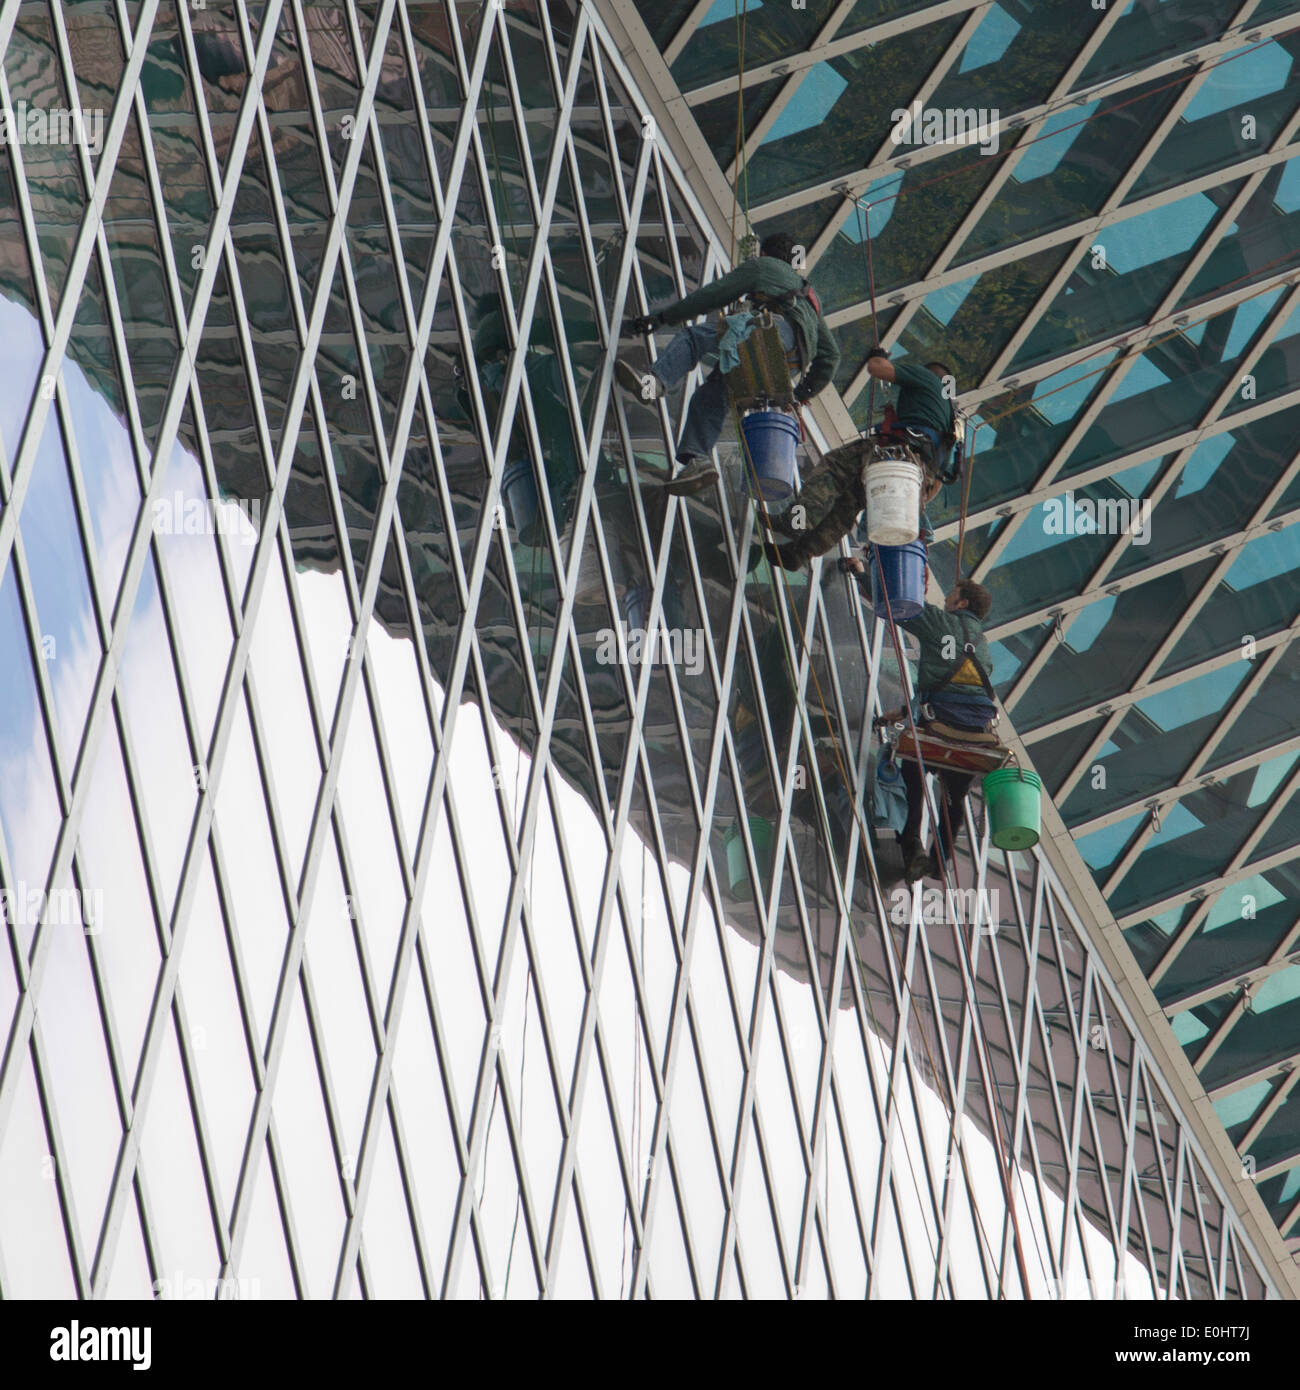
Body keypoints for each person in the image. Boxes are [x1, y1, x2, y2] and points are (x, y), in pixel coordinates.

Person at [614, 232, 840, 494]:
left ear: (765, 254)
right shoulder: (811, 299)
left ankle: (654, 383)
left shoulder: (763, 267)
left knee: (694, 337)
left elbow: (713, 295)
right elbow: (831, 356)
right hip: (786, 365)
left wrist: (664, 317)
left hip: (769, 334)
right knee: (712, 394)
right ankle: (699, 461)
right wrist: (800, 394)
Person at [848, 574, 996, 883]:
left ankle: (912, 846)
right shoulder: (982, 644)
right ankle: (941, 862)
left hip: (939, 725)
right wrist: (902, 712)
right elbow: (958, 691)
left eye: (951, 595)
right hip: (975, 733)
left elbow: (894, 604)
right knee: (954, 795)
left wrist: (861, 572)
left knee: (913, 776)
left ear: (962, 602)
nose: (945, 600)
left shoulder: (940, 622)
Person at [761, 350, 957, 570]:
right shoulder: (949, 424)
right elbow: (937, 483)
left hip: (896, 452)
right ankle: (799, 553)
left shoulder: (928, 378)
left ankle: (795, 521)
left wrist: (876, 357)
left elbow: (878, 369)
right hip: (911, 480)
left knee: (834, 467)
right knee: (849, 504)